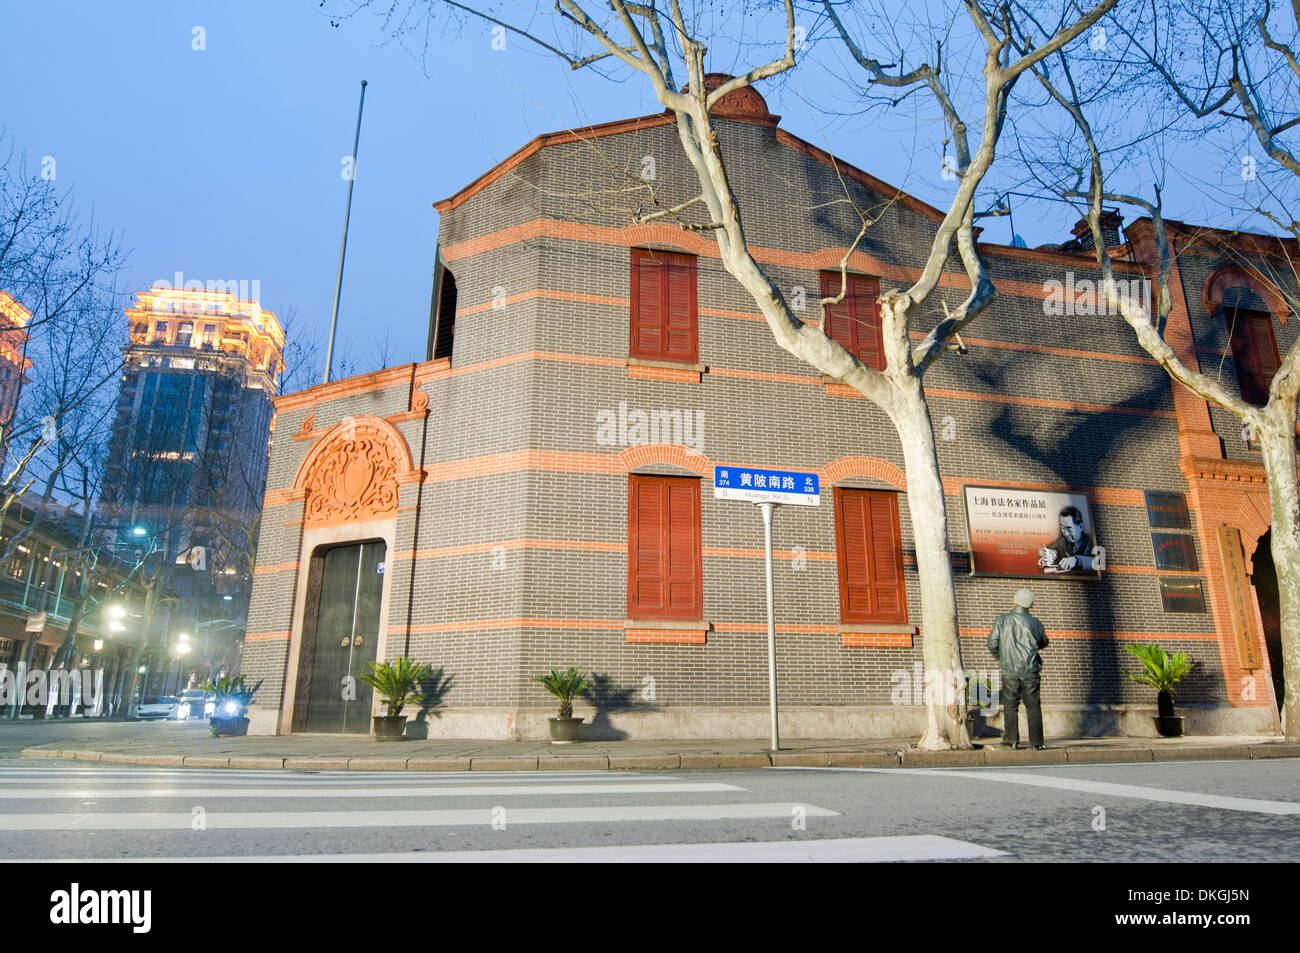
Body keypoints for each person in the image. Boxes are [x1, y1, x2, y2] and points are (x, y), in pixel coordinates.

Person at [988, 588, 1049, 749]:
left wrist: (1001, 657)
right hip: (1031, 671)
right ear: (1030, 605)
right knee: (1034, 707)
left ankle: (1011, 740)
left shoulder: (1002, 620)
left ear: (1014, 602)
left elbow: (992, 643)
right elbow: (1043, 642)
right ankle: (1037, 743)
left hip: (1009, 670)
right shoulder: (1035, 623)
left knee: (1010, 706)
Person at [1038, 505, 1096, 573]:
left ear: (1080, 526)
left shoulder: (1092, 543)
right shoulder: (1061, 542)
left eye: (1069, 528)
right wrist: (1044, 558)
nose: (1066, 533)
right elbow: (1047, 551)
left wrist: (1077, 560)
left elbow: (1100, 563)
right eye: (1063, 528)